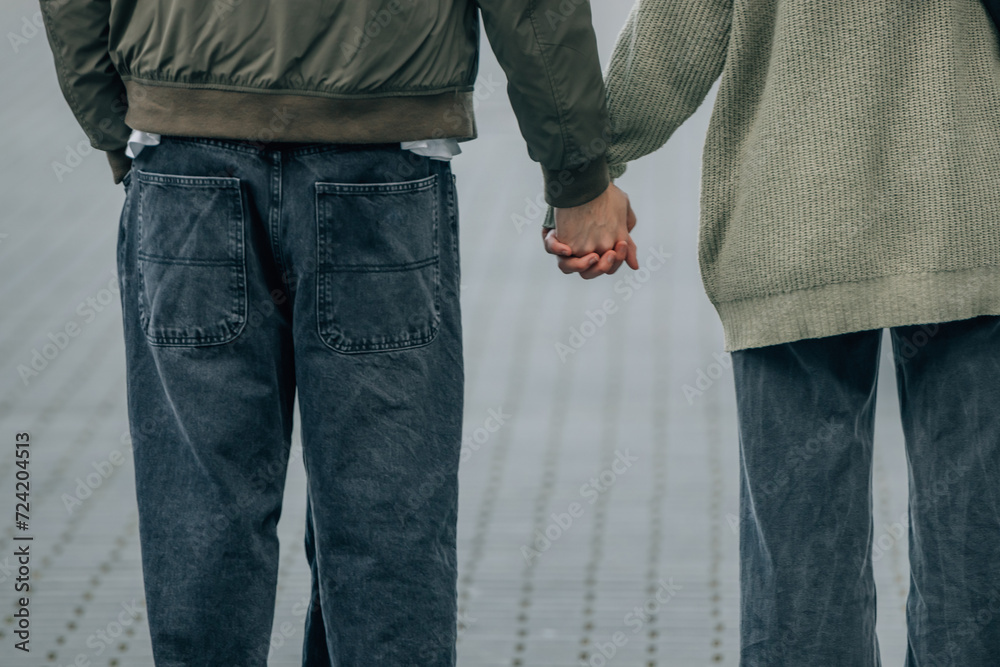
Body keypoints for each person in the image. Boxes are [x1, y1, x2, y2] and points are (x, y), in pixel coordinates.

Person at [37, 1, 639, 664]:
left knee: (202, 517)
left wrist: (115, 121)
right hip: (380, 153)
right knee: (386, 525)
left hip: (184, 155)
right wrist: (578, 175)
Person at [541, 0, 1000, 664]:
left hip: (792, 226)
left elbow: (678, 30)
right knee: (976, 569)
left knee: (802, 580)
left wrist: (585, 176)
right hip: (970, 212)